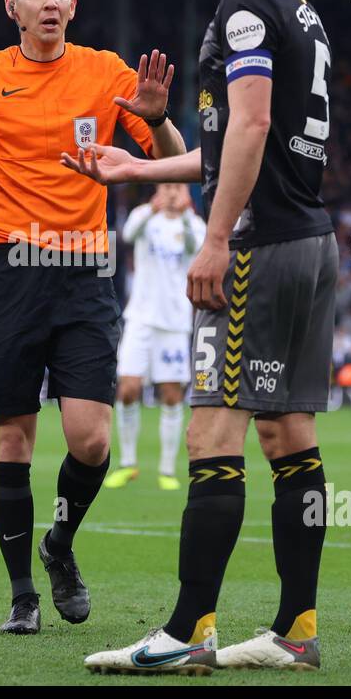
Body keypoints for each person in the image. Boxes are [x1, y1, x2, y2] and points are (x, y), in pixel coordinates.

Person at [64, 0, 338, 673]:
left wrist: (216, 239)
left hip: (257, 246)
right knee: (289, 433)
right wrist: (142, 167)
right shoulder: (303, 11)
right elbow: (245, 142)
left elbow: (251, 124)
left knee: (212, 430)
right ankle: (295, 629)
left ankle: (188, 632)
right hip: (310, 242)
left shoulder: (242, 8)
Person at [0, 0, 185, 634]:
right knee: (11, 441)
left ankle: (59, 544)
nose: (47, 3)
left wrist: (155, 119)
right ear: (13, 7)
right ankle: (21, 596)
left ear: (73, 5)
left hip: (86, 270)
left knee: (91, 440)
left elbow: (168, 164)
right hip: (8, 269)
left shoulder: (106, 73)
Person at [107, 184, 205, 491]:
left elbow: (197, 246)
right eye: (167, 187)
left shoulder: (194, 223)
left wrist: (187, 212)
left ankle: (166, 469)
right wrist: (153, 207)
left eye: (178, 187)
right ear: (158, 189)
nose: (172, 193)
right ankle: (127, 464)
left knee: (172, 394)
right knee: (127, 388)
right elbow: (127, 234)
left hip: (175, 322)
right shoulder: (145, 217)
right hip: (140, 318)